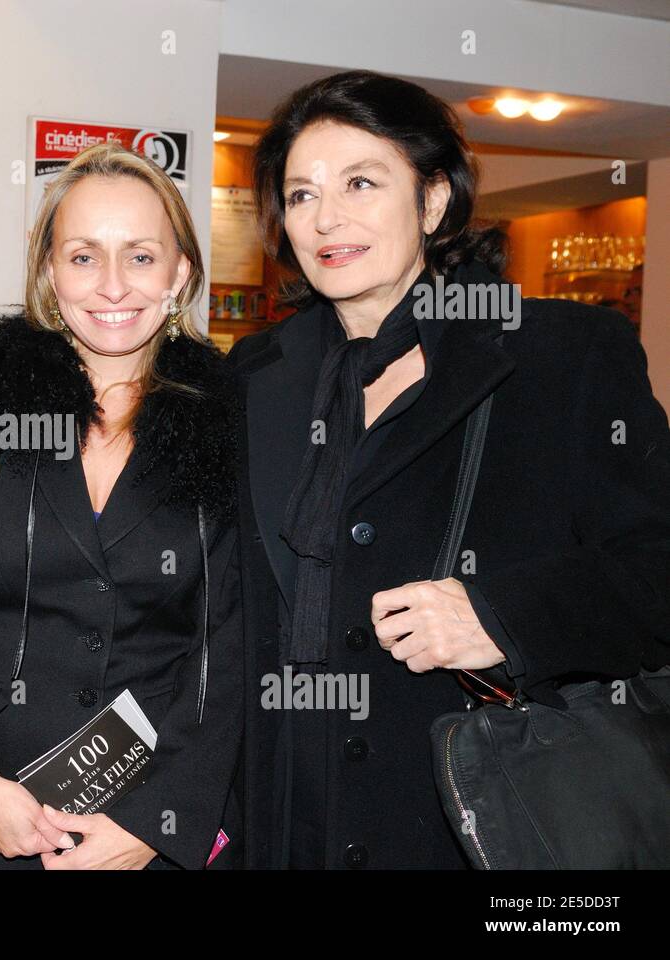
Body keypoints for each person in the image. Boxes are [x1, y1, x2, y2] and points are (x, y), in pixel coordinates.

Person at [227, 70, 670, 869]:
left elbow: (655, 574)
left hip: (467, 821)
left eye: (362, 182)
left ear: (432, 201)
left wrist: (501, 616)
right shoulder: (257, 373)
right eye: (301, 194)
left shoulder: (561, 357)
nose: (327, 216)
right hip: (285, 815)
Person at [0, 142, 244, 870]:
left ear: (181, 272)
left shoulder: (234, 418)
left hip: (154, 828)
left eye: (142, 257)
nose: (113, 285)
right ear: (50, 272)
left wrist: (156, 824)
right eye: (85, 256)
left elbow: (237, 638)